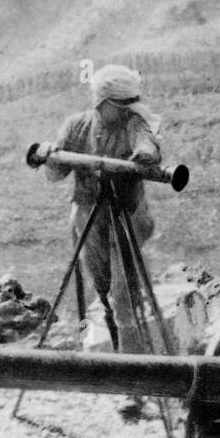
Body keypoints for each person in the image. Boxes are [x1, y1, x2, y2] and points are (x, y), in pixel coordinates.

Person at [37, 64, 163, 365]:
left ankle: (133, 364)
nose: (125, 112)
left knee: (125, 291)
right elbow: (54, 175)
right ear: (102, 103)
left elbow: (146, 142)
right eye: (119, 107)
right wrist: (51, 156)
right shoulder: (77, 126)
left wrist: (144, 154)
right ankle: (99, 354)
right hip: (88, 212)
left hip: (127, 214)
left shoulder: (134, 122)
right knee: (99, 284)